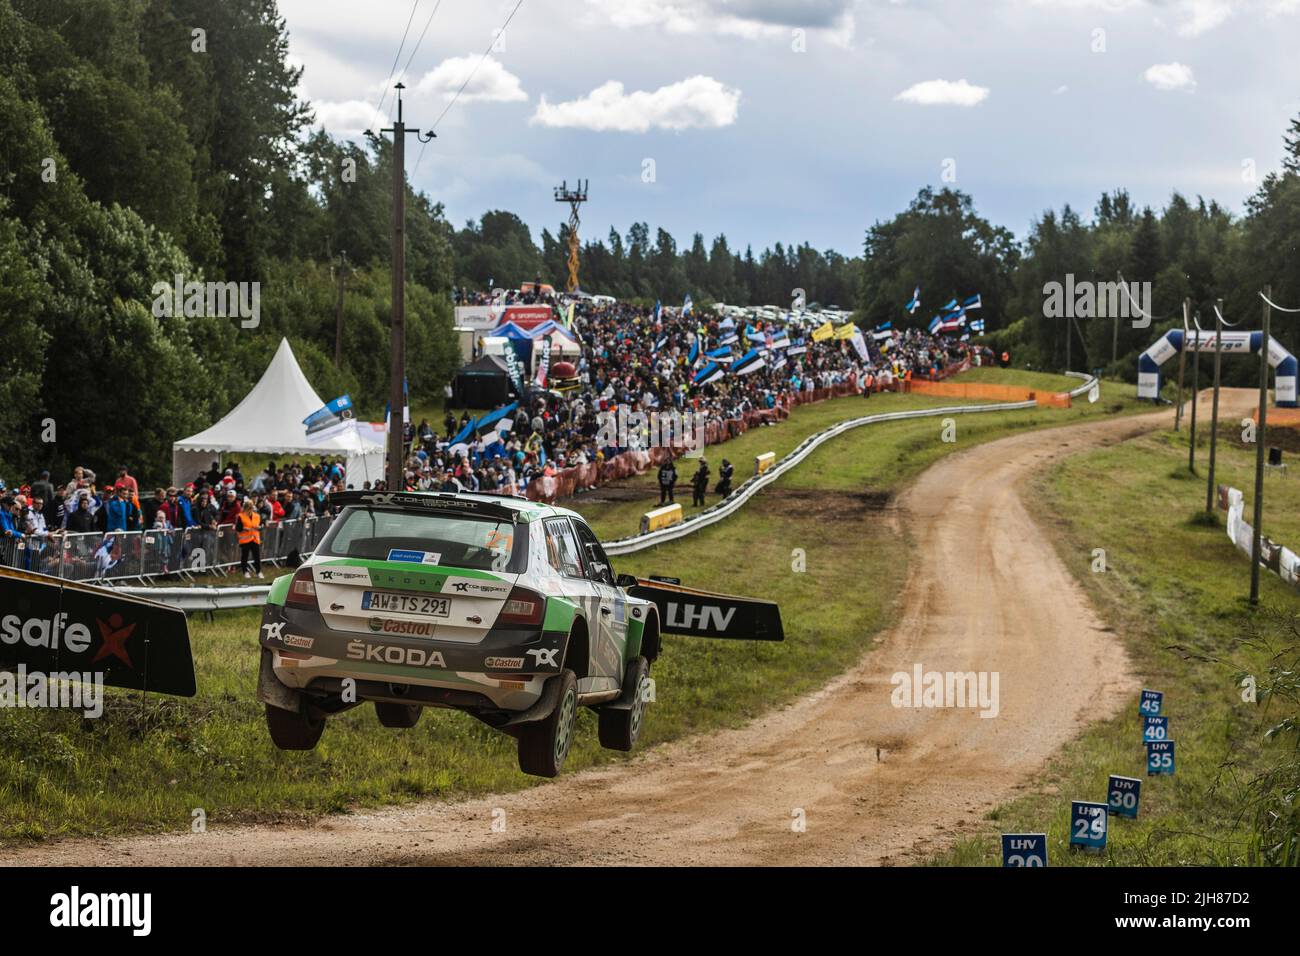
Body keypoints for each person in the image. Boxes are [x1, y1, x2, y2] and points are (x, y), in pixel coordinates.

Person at [236, 498, 263, 579]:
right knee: (245, 556)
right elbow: (238, 528)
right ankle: (245, 572)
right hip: (245, 540)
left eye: (251, 507)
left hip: (255, 539)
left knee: (257, 556)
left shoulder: (257, 516)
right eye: (248, 507)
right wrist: (244, 528)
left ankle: (258, 572)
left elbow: (261, 525)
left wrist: (260, 527)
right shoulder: (241, 516)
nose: (250, 509)